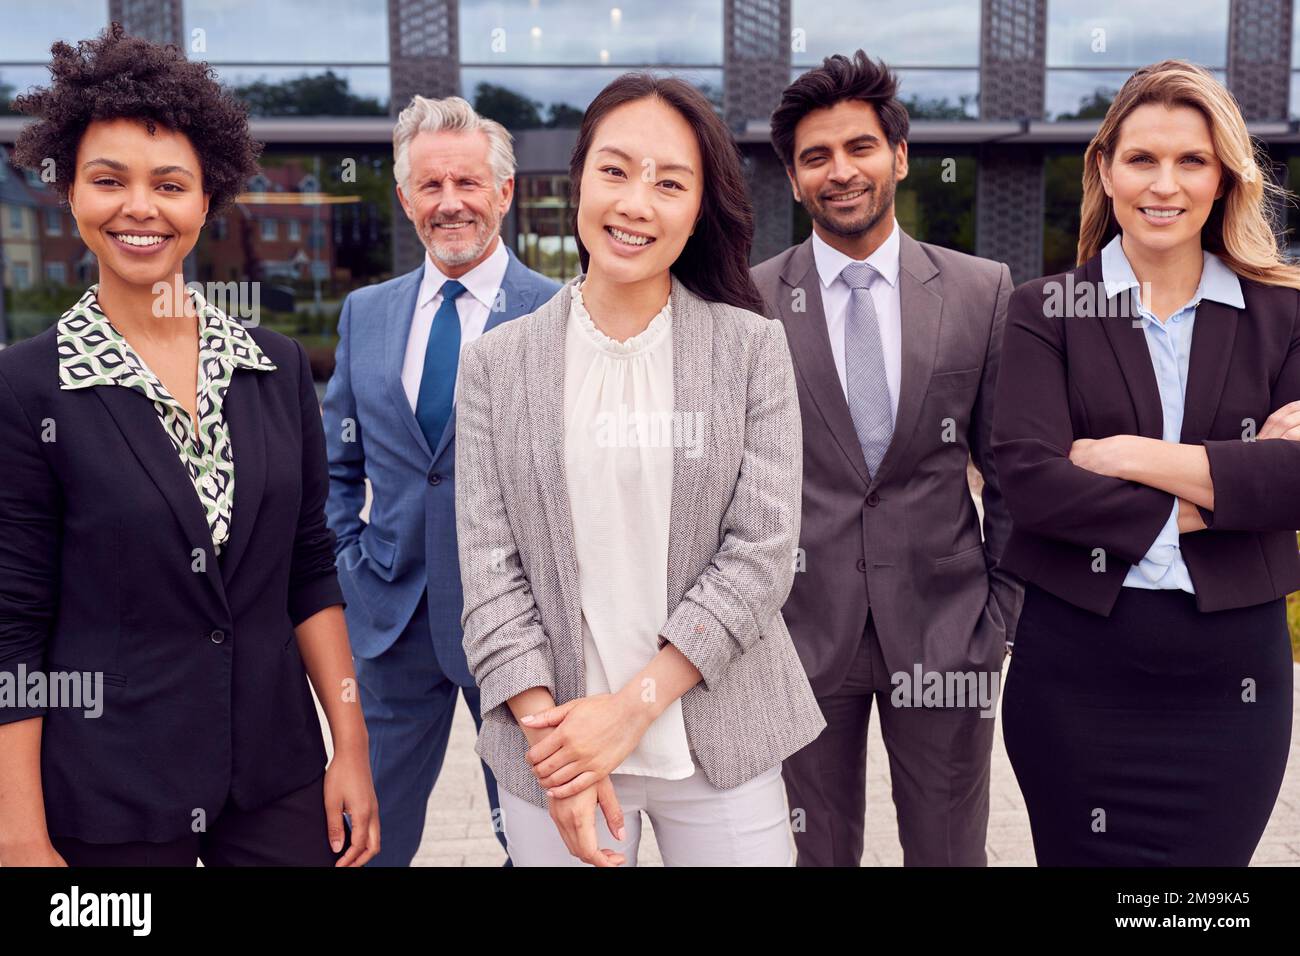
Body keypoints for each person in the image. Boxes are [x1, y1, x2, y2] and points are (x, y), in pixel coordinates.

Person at [0, 24, 378, 867]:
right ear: (72, 196)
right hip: (107, 794)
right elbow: (12, 624)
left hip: (275, 772)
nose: (141, 207)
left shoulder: (275, 365)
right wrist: (18, 834)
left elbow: (309, 564)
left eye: (169, 184)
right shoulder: (26, 389)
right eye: (109, 180)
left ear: (206, 201)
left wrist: (349, 743)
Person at [454, 73, 825, 867]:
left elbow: (760, 555)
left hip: (719, 736)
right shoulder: (495, 365)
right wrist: (557, 743)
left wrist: (627, 712)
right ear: (579, 181)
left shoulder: (751, 351)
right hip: (553, 742)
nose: (635, 203)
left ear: (698, 210)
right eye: (615, 171)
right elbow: (489, 571)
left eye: (669, 182)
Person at [993, 60, 1300, 866]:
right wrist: (1226, 486)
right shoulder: (1045, 311)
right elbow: (1030, 483)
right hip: (1076, 676)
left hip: (1232, 684)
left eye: (1191, 161)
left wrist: (1131, 456)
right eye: (1143, 159)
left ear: (1224, 176)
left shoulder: (1285, 313)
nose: (1165, 185)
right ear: (1105, 169)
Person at [751, 50, 1022, 866]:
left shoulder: (982, 290)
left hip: (948, 635)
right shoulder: (750, 302)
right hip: (796, 637)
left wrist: (997, 619)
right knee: (814, 856)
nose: (841, 171)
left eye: (859, 147)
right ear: (795, 180)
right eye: (816, 158)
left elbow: (1010, 472)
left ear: (899, 157)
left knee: (949, 854)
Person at [322, 95, 559, 866]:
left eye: (467, 182)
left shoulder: (561, 317)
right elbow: (334, 470)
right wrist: (354, 567)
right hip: (392, 625)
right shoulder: (366, 313)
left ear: (504, 191)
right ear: (404, 198)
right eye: (430, 186)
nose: (450, 202)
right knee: (367, 844)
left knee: (536, 842)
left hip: (522, 637)